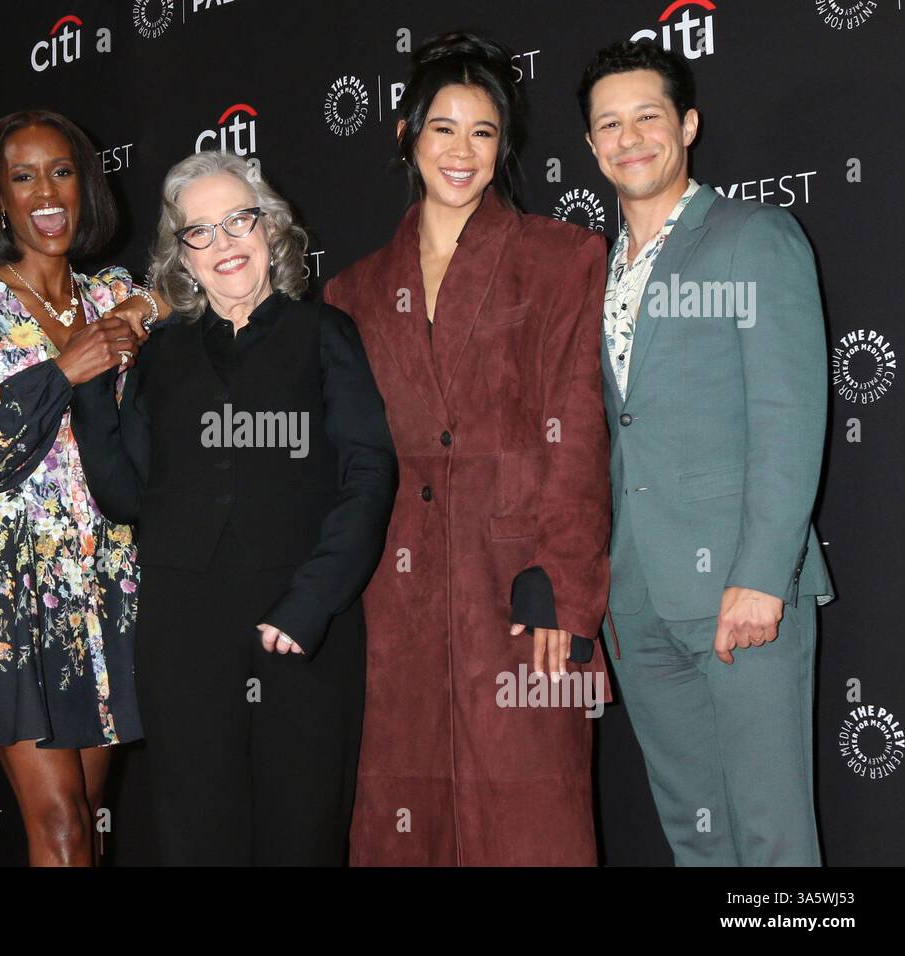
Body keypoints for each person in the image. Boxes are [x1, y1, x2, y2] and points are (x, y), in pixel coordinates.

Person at [323, 32, 613, 866]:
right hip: (395, 595)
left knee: (533, 821)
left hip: (520, 585)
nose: (461, 151)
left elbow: (579, 427)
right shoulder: (352, 290)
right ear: (406, 134)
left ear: (504, 147)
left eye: (482, 132)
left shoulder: (562, 258)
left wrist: (565, 586)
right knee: (400, 815)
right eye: (442, 128)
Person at [70, 150, 398, 865]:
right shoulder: (160, 357)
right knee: (197, 838)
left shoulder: (325, 335)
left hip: (301, 626)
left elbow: (368, 473)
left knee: (301, 837)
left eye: (238, 221)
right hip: (182, 635)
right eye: (200, 232)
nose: (223, 244)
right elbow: (125, 496)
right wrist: (90, 390)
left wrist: (312, 602)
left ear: (270, 230)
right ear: (181, 257)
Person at [579, 40, 833, 865]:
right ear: (590, 146)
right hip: (640, 599)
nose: (630, 138)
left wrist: (763, 575)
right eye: (609, 124)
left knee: (771, 835)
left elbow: (789, 416)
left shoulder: (753, 236)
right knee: (697, 835)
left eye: (647, 116)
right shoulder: (593, 271)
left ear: (687, 124)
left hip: (742, 592)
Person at [0, 110, 167, 866]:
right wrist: (62, 372)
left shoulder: (110, 291)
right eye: (23, 177)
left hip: (108, 577)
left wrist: (141, 307)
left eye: (61, 172)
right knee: (56, 825)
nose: (45, 192)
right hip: (10, 589)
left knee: (84, 820)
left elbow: (186, 285)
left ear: (85, 187)